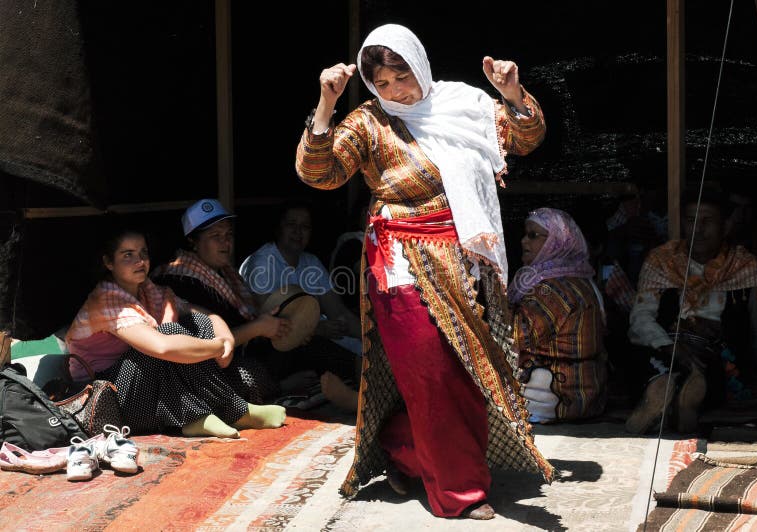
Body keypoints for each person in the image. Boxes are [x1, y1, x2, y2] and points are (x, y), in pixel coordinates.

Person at [295, 24, 554, 520]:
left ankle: (403, 451)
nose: (396, 91)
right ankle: (459, 492)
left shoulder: (462, 104)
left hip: (462, 259)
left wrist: (511, 92)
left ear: (421, 65)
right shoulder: (369, 122)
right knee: (433, 373)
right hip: (401, 263)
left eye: (402, 77)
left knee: (468, 370)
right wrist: (327, 105)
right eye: (383, 83)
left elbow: (525, 137)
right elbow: (319, 173)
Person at [65, 227, 287, 439]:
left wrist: (225, 335)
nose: (140, 261)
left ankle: (198, 418)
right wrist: (217, 347)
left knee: (205, 332)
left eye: (143, 253)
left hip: (150, 389)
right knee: (168, 335)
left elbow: (196, 311)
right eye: (128, 255)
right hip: (108, 400)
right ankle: (235, 411)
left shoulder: (146, 289)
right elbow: (162, 346)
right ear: (108, 262)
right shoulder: (106, 300)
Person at [153, 199, 358, 412]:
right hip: (211, 363)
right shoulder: (180, 279)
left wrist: (277, 327)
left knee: (304, 342)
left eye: (228, 235)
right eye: (215, 237)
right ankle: (281, 386)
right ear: (193, 241)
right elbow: (203, 343)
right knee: (249, 376)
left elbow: (249, 322)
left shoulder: (226, 274)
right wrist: (258, 328)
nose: (225, 243)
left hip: (242, 351)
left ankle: (365, 371)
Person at [625, 189, 757, 435]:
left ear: (726, 225)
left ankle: (675, 399)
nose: (698, 230)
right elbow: (640, 318)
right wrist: (670, 346)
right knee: (649, 363)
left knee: (708, 371)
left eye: (707, 222)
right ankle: (666, 394)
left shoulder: (744, 266)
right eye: (691, 221)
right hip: (665, 344)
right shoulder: (661, 261)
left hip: (714, 351)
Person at [509, 208, 608, 423]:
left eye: (533, 236)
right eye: (525, 234)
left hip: (553, 399)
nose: (524, 241)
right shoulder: (581, 280)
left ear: (558, 241)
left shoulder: (553, 289)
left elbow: (513, 333)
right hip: (584, 397)